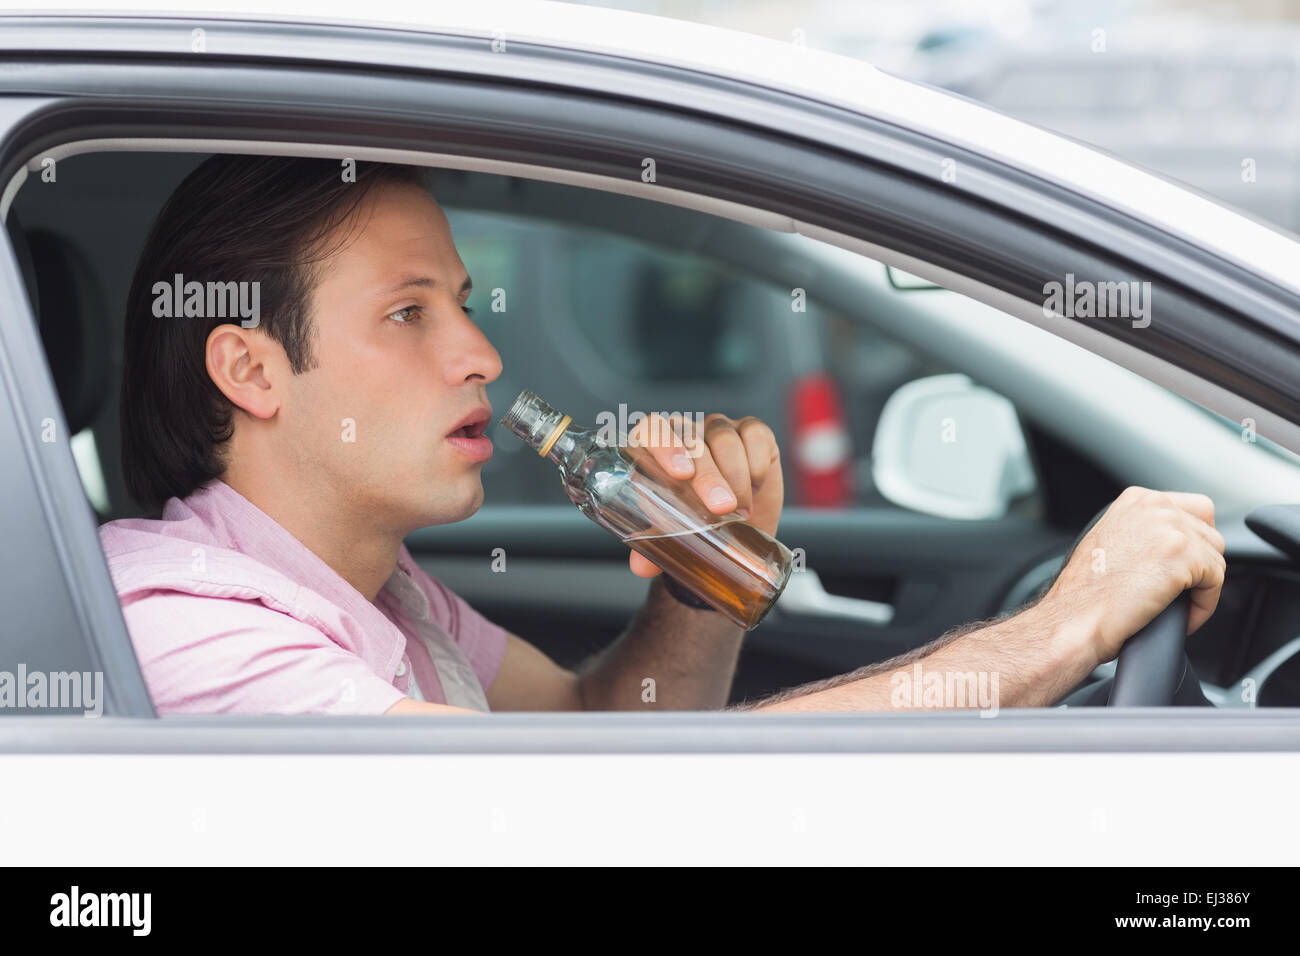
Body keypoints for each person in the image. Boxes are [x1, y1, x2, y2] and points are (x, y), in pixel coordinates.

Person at [98, 156, 1226, 715]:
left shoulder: (378, 586)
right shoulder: (190, 635)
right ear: (249, 366)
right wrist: (1058, 631)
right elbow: (601, 811)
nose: (480, 354)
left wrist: (695, 587)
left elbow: (598, 730)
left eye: (461, 299)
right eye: (409, 312)